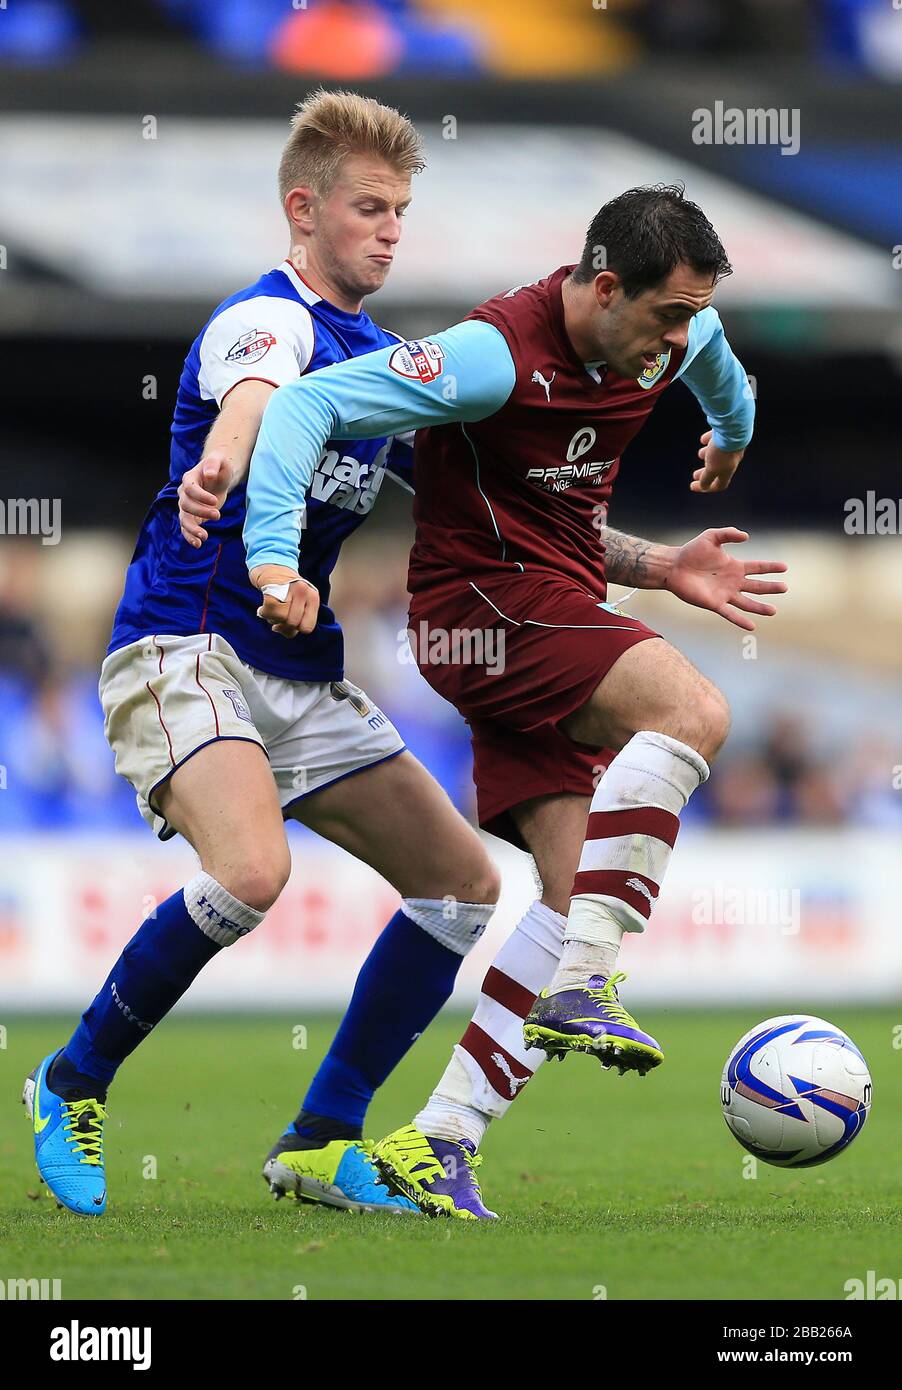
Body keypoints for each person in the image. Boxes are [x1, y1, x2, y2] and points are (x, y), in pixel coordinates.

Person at [242, 183, 787, 1218]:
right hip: (475, 612)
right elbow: (309, 404)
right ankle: (584, 982)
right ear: (603, 285)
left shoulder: (679, 332)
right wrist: (273, 556)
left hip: (549, 605)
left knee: (570, 889)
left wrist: (731, 438)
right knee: (695, 711)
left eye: (690, 315)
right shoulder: (491, 353)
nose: (678, 338)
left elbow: (721, 371)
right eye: (665, 314)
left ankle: (436, 1138)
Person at [23, 89, 502, 1218]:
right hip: (182, 643)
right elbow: (251, 400)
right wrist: (221, 467)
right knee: (250, 873)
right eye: (367, 209)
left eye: (399, 210)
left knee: (462, 884)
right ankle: (69, 1080)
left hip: (293, 665)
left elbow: (489, 510)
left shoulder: (378, 360)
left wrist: (647, 563)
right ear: (304, 209)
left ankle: (320, 1140)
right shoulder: (267, 318)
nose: (390, 230)